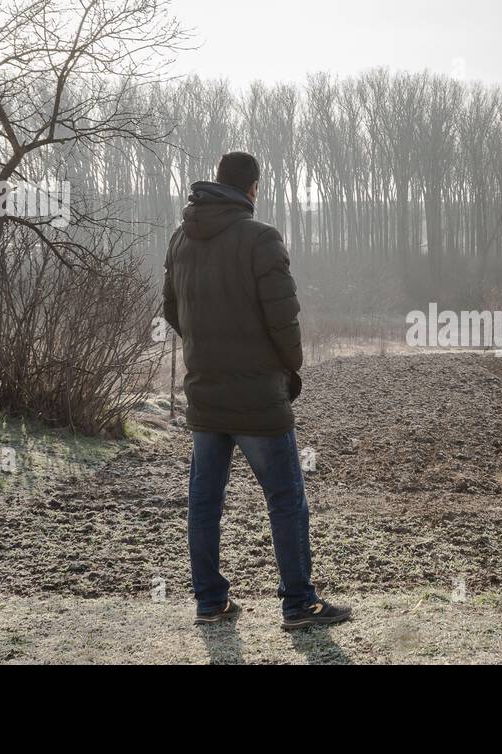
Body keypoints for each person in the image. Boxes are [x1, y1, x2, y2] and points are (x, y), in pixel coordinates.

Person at [162, 151, 351, 631]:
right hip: (258, 397)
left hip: (204, 394)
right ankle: (298, 604)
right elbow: (283, 319)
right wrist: (290, 369)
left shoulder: (180, 238)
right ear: (252, 189)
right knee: (285, 498)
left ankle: (210, 601)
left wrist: (205, 350)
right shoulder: (262, 239)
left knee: (204, 500)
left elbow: (171, 310)